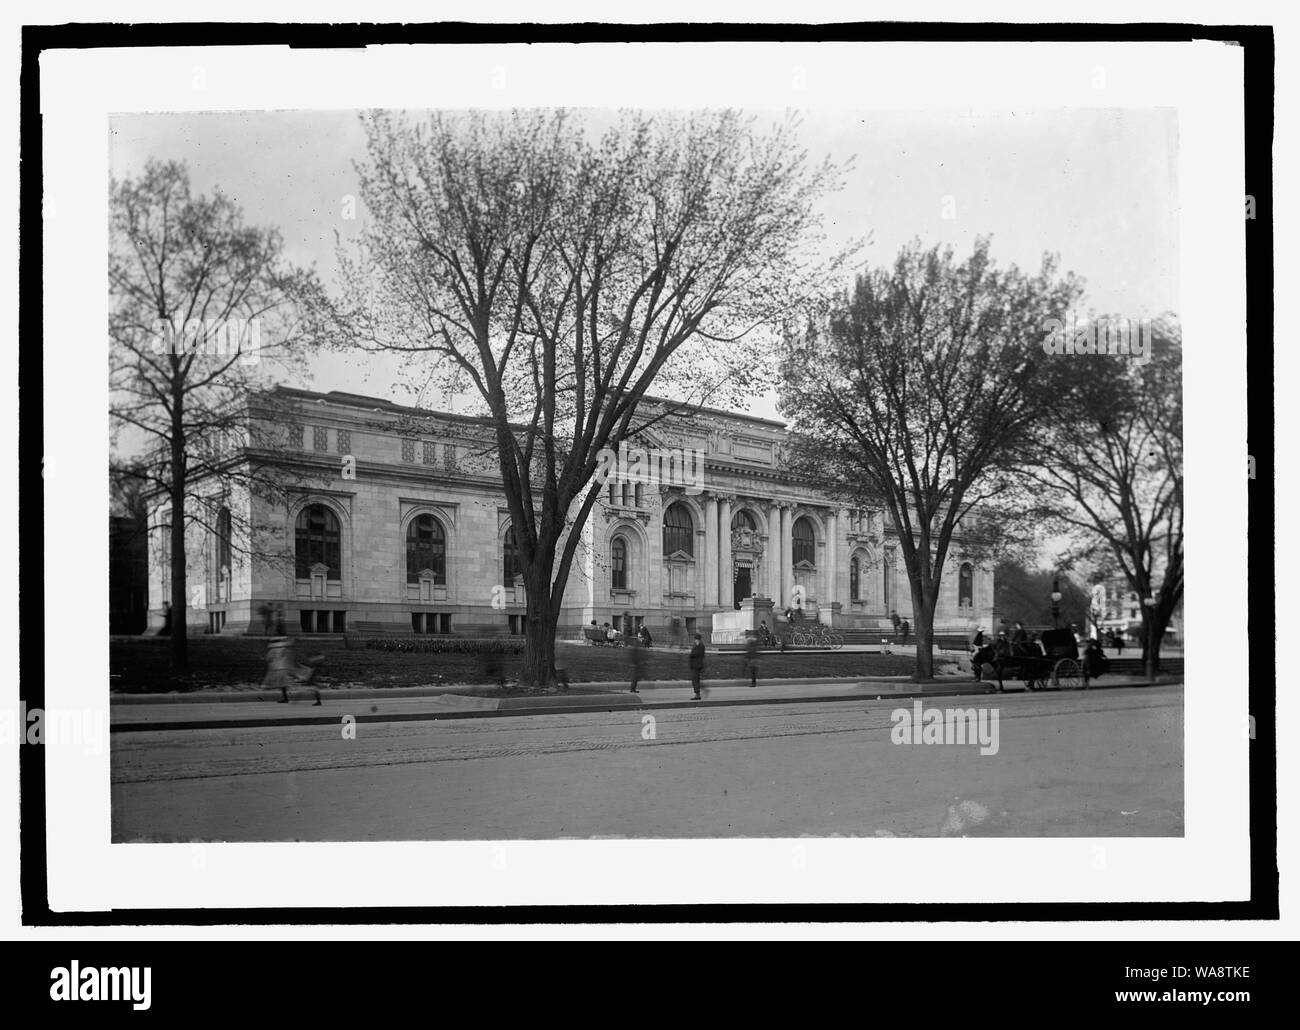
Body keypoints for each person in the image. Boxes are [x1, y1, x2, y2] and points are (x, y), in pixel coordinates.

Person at [264, 634, 323, 706]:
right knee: (309, 686)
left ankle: (289, 698)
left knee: (307, 686)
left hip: (282, 669)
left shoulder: (281, 650)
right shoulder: (286, 650)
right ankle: (292, 699)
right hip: (294, 669)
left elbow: (269, 659)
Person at [688, 633, 705, 700]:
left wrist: (691, 654)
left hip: (697, 665)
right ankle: (697, 693)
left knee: (695, 680)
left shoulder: (701, 646)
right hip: (694, 665)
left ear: (698, 639)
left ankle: (697, 694)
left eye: (696, 639)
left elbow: (697, 654)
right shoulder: (697, 645)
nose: (695, 641)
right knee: (695, 680)